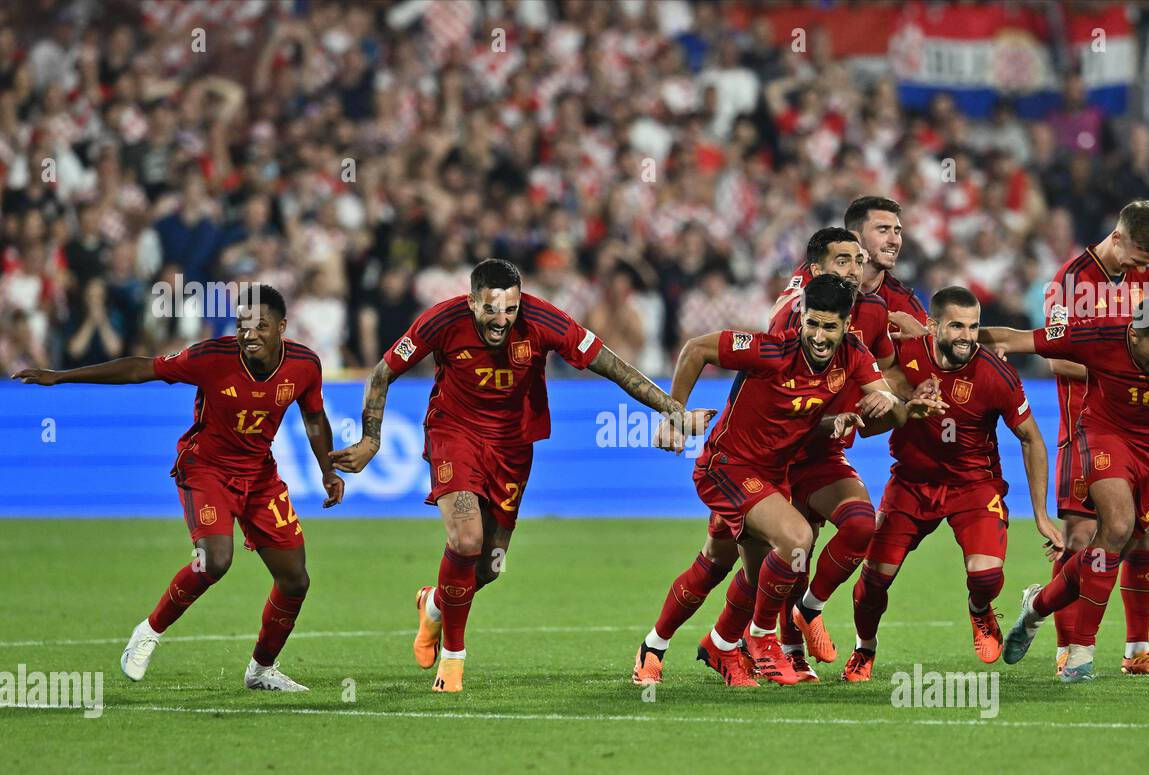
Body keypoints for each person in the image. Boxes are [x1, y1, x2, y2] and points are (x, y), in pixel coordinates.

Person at [329, 258, 703, 693]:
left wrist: (671, 409)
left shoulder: (545, 321)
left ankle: (433, 604)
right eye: (491, 310)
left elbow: (612, 366)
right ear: (471, 302)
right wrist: (371, 440)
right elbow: (382, 373)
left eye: (510, 310)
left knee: (489, 566)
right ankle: (453, 661)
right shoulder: (441, 320)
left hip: (512, 447)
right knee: (465, 540)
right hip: (455, 433)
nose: (501, 320)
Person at [12, 284, 344, 691]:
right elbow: (141, 368)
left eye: (260, 326)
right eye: (243, 325)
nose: (249, 334)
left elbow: (314, 417)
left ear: (281, 327)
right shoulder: (211, 357)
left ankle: (260, 670)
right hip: (205, 469)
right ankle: (147, 633)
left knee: (296, 580)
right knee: (215, 560)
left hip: (259, 476)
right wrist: (61, 377)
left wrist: (327, 469)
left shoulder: (305, 365)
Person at [655, 274, 944, 687]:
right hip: (730, 466)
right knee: (782, 545)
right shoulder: (770, 349)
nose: (820, 336)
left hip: (778, 475)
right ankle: (758, 639)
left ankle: (719, 643)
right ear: (801, 317)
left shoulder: (855, 354)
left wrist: (899, 405)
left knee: (756, 573)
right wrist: (674, 415)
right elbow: (697, 348)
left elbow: (884, 409)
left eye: (830, 326)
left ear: (846, 326)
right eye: (813, 323)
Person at [979, 294, 1149, 682]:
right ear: (1134, 335)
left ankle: (1036, 605)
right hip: (1107, 435)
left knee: (1114, 548)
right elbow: (1014, 338)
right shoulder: (1097, 337)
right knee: (1117, 526)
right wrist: (951, 335)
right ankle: (1081, 652)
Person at [849, 286, 1061, 681]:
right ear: (932, 327)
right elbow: (868, 431)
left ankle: (980, 611)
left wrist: (1042, 515)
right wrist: (906, 408)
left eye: (974, 326)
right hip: (911, 483)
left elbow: (1032, 438)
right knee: (874, 579)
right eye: (957, 326)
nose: (967, 336)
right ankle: (865, 648)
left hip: (973, 485)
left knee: (986, 577)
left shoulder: (996, 374)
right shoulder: (902, 357)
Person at [1043, 200, 1149, 676]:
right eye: (1136, 257)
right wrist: (1119, 371)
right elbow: (1056, 359)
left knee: (1140, 531)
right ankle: (1067, 652)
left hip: (1136, 431)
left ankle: (1137, 650)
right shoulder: (1069, 283)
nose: (1141, 269)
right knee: (1079, 535)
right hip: (1084, 425)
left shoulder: (1146, 284)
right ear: (1117, 238)